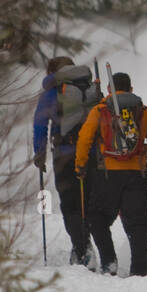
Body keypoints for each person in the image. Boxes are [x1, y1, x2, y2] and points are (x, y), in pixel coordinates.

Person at [75, 71, 147, 276]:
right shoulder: (144, 111)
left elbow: (84, 139)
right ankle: (139, 271)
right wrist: (142, 153)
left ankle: (109, 261)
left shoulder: (99, 110)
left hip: (107, 173)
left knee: (97, 217)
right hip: (137, 174)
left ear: (108, 90)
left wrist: (80, 166)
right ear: (131, 89)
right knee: (138, 223)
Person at [33, 56, 96, 267]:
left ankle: (82, 249)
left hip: (65, 155)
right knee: (87, 202)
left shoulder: (52, 93)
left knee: (70, 205)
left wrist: (39, 153)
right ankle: (86, 244)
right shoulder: (89, 88)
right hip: (92, 154)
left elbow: (40, 125)